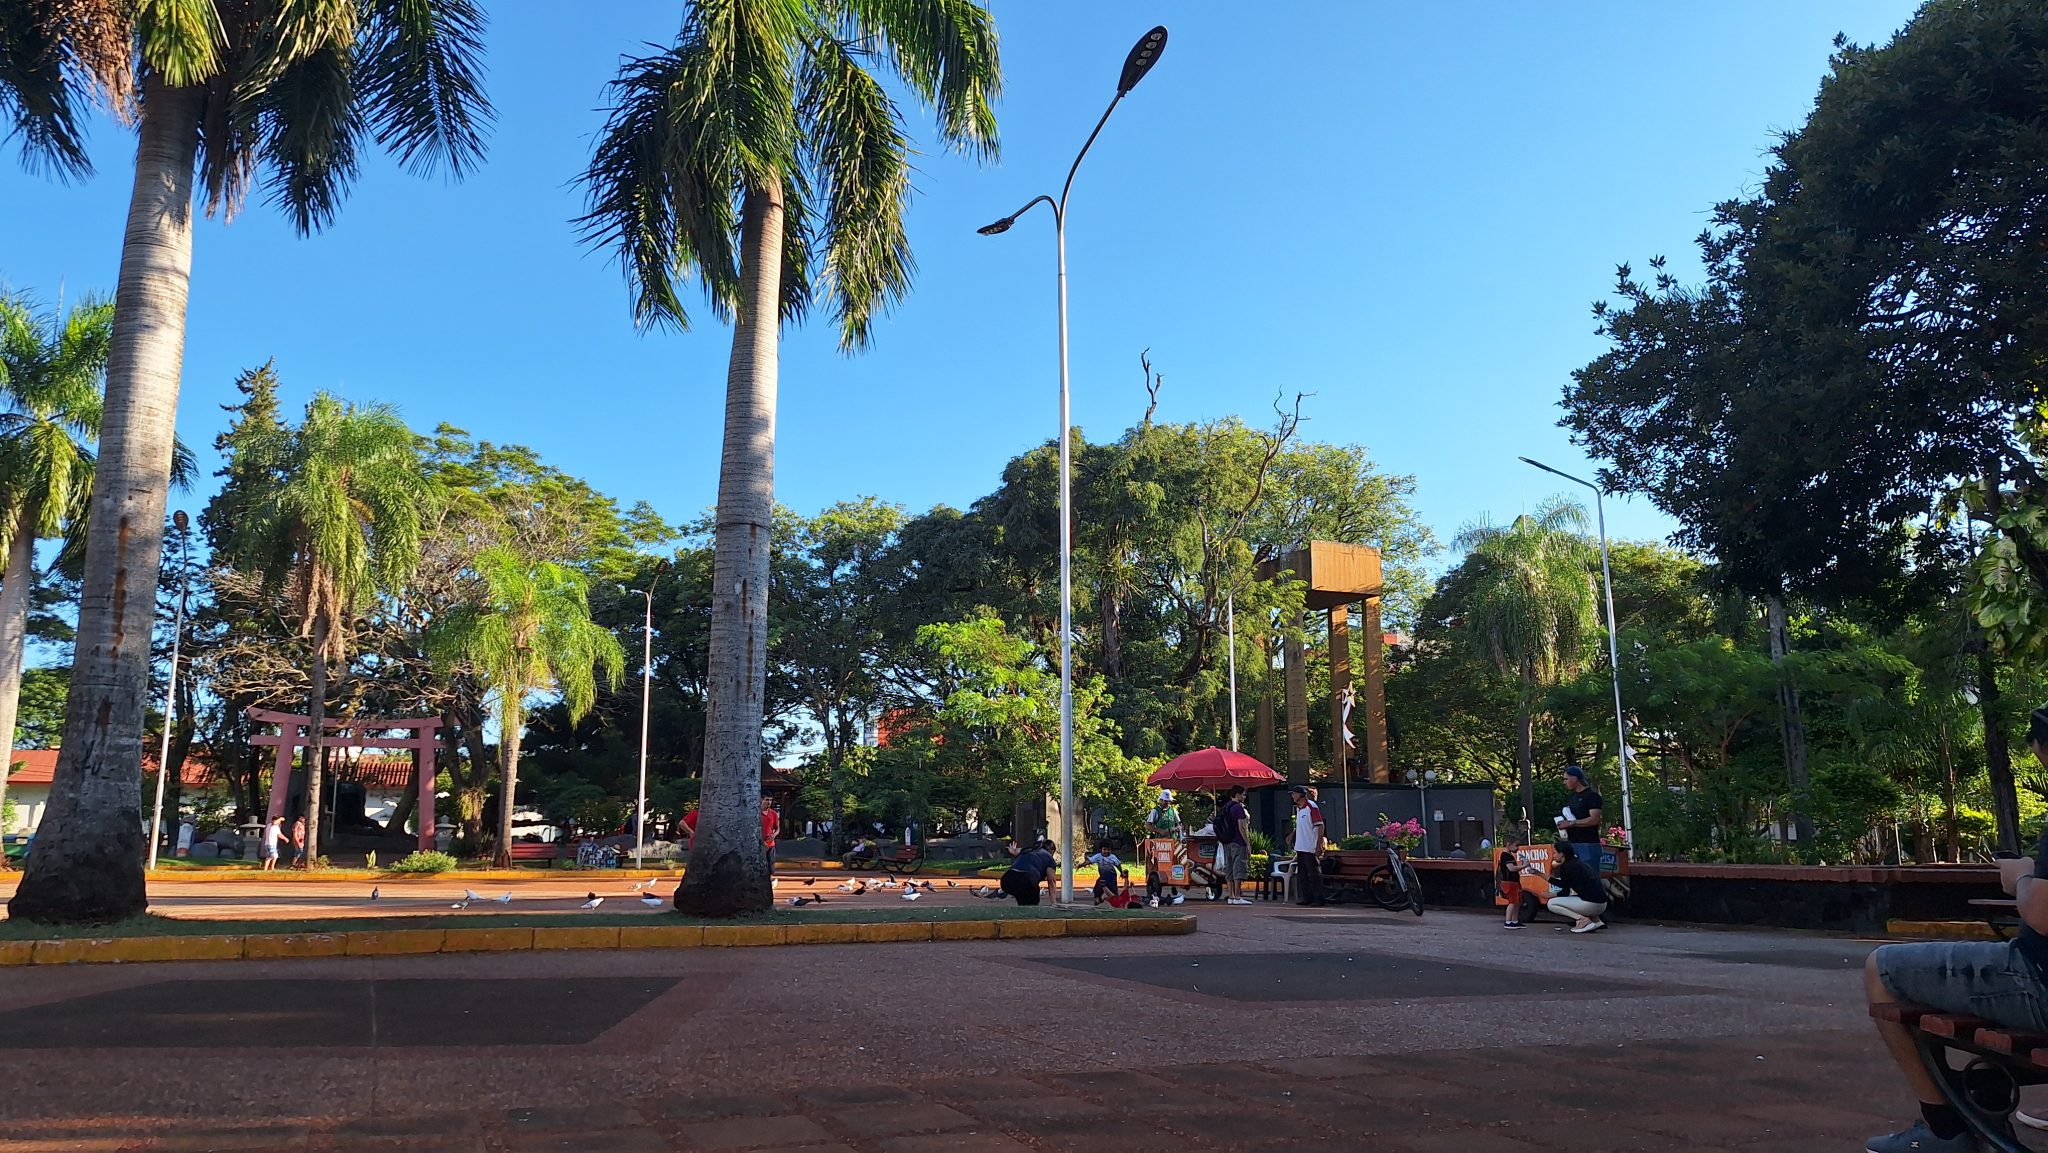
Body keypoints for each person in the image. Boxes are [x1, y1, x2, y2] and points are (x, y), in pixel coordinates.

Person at [1865, 706, 2048, 1153]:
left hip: (2039, 985)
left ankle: (1943, 1128)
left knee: (1880, 968)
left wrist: (2021, 877)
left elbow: (2042, 914)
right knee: (1990, 1053)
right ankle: (1984, 1090)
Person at [1538, 837, 1608, 933]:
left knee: (1551, 903)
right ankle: (1596, 921)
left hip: (1593, 905)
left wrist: (1550, 895)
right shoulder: (1578, 863)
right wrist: (1539, 874)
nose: (1553, 856)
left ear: (1562, 854)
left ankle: (1582, 920)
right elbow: (1565, 885)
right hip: (1602, 903)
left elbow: (1565, 891)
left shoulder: (1567, 867)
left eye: (1555, 853)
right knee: (1581, 895)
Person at [1554, 765, 1605, 880]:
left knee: (1590, 877)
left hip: (1588, 844)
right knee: (1577, 878)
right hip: (1573, 844)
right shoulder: (1573, 798)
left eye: (1566, 779)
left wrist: (1571, 823)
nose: (1564, 782)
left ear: (1575, 778)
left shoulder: (1592, 796)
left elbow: (1594, 819)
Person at [1145, 790, 1187, 908]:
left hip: (1173, 841)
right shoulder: (1155, 811)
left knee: (1174, 863)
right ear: (1161, 800)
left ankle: (1175, 887)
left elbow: (1179, 824)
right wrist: (1159, 831)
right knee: (1161, 865)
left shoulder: (1173, 811)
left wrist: (1177, 829)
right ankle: (1157, 890)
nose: (1167, 804)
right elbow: (1148, 825)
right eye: (1166, 801)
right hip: (1160, 843)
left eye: (1169, 802)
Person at [1215, 786, 1253, 905]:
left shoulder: (1226, 807)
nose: (1244, 797)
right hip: (1238, 841)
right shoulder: (1238, 808)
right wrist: (1247, 843)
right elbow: (1242, 827)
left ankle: (1230, 895)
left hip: (1227, 841)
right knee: (1238, 868)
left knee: (1229, 868)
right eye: (1243, 794)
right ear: (1237, 795)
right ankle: (1237, 896)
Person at [1290, 785, 1325, 907]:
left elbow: (1320, 825)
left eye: (1294, 794)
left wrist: (1318, 844)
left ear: (1301, 795)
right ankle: (1307, 898)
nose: (1293, 796)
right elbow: (1300, 826)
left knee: (1313, 874)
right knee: (1303, 875)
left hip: (1310, 846)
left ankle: (1318, 898)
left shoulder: (1311, 807)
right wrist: (1292, 835)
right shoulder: (1299, 809)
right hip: (1301, 846)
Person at [1000, 839, 1058, 905]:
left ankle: (1002, 892)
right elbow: (1051, 881)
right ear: (1052, 851)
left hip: (1007, 879)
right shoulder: (1049, 858)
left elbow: (1016, 851)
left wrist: (1013, 850)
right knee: (1032, 901)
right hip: (1027, 879)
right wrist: (1053, 902)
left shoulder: (1029, 850)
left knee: (1022, 896)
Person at [1496, 831, 1524, 928]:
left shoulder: (1509, 855)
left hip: (1513, 882)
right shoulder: (1505, 855)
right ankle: (1508, 921)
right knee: (1512, 902)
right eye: (1516, 845)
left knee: (1517, 901)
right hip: (1509, 882)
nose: (1518, 848)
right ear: (1508, 845)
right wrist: (1523, 866)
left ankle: (1515, 921)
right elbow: (1511, 868)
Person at [761, 797, 780, 870]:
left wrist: (774, 835)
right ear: (761, 800)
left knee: (771, 868)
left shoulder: (773, 813)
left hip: (771, 844)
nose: (769, 802)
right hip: (760, 845)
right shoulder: (756, 813)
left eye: (770, 800)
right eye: (767, 800)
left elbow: (777, 828)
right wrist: (762, 841)